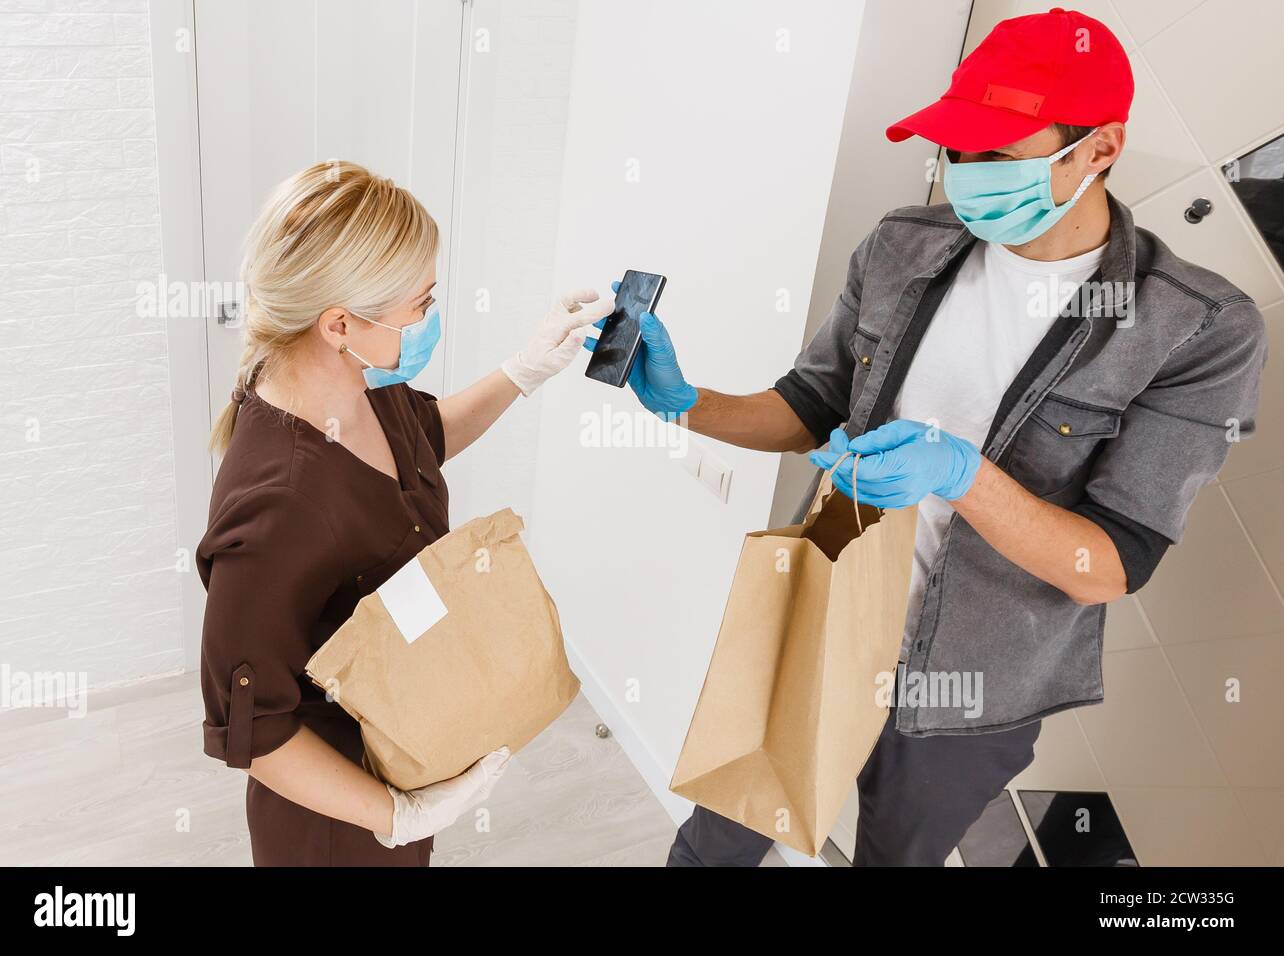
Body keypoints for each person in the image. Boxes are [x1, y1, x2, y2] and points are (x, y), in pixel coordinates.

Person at [585, 9, 1267, 866]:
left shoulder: (1195, 326)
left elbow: (1113, 565)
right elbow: (812, 401)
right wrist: (689, 403)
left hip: (975, 687)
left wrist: (959, 473)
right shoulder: (904, 244)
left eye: (1000, 157)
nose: (971, 180)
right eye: (958, 152)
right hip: (825, 617)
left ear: (1100, 149)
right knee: (715, 844)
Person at [197, 160, 611, 865]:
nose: (430, 318)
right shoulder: (279, 502)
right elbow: (252, 729)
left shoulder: (362, 381)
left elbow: (423, 445)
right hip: (336, 814)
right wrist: (395, 814)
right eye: (420, 303)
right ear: (338, 323)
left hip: (405, 742)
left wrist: (523, 372)